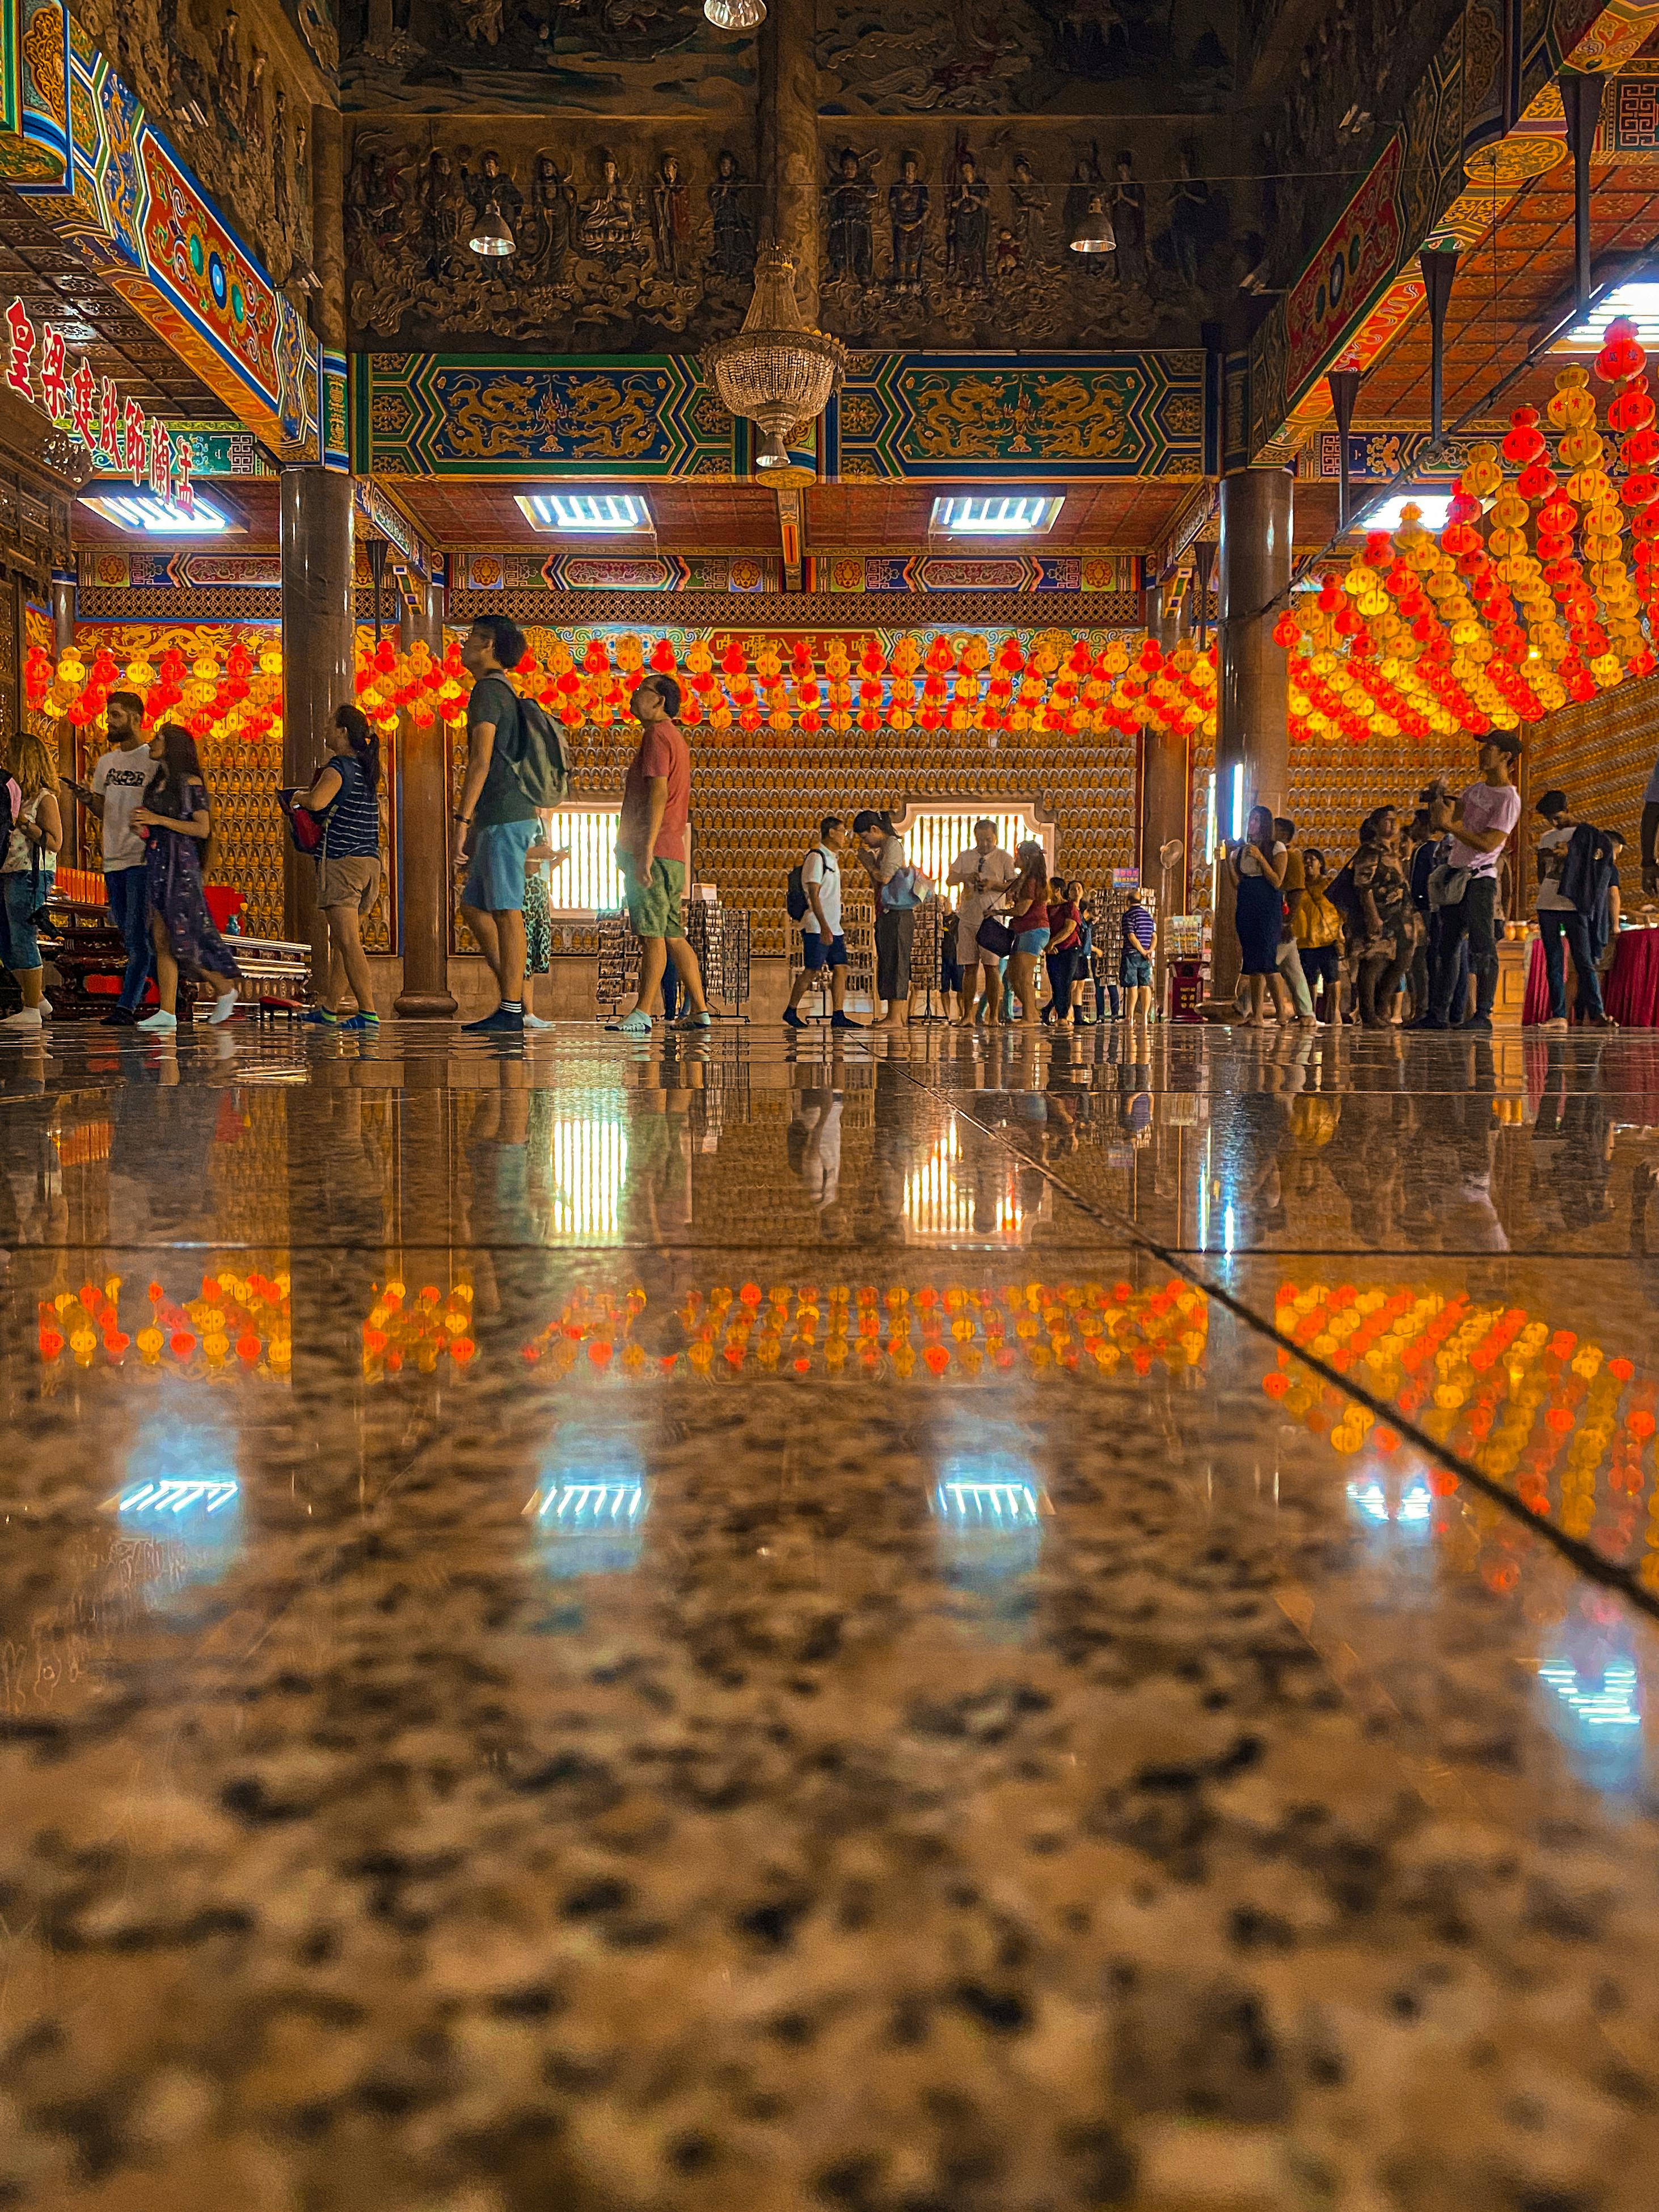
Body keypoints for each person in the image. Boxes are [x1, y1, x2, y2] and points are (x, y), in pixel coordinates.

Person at [611, 673, 710, 1036]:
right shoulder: (675, 738)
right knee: (671, 932)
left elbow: (656, 795)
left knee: (651, 934)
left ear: (660, 701)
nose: (634, 696)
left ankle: (642, 1012)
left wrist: (645, 850)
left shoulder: (655, 735)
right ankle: (700, 1010)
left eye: (641, 691)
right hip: (674, 852)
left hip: (655, 851)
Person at [455, 614, 539, 1036]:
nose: (464, 644)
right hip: (501, 815)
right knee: (473, 906)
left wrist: (461, 819)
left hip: (504, 815)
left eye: (471, 638)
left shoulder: (489, 690)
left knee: (507, 912)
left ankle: (512, 1008)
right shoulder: (502, 690)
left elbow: (481, 760)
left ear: (488, 645)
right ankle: (512, 993)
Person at [130, 722, 239, 1033]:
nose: (151, 743)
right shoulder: (159, 782)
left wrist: (158, 819)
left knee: (184, 936)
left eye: (158, 739)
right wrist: (144, 829)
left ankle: (224, 988)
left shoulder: (190, 783)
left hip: (181, 867)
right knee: (161, 936)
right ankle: (167, 1010)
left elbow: (201, 828)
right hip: (158, 863)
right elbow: (158, 826)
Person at [1419, 733, 1523, 1033]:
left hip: (1480, 879)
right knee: (1446, 947)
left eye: (1489, 749)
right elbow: (1447, 823)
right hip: (1456, 873)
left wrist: (1452, 826)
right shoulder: (1475, 790)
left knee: (1483, 947)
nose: (1482, 753)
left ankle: (1483, 1014)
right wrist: (1438, 801)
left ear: (1505, 757)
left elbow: (1489, 843)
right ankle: (1438, 1014)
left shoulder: (1508, 798)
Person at [64, 689, 154, 1025]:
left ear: (136, 718)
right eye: (109, 714)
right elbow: (105, 808)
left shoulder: (152, 760)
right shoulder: (106, 763)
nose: (109, 721)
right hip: (113, 856)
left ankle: (126, 1005)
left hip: (142, 858)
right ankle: (155, 985)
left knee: (136, 932)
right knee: (126, 930)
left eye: (116, 715)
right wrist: (88, 799)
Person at [297, 704, 384, 1032]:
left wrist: (298, 797)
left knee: (348, 941)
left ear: (343, 732)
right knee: (343, 940)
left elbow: (318, 802)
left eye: (329, 724)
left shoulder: (339, 767)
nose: (325, 729)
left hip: (343, 862)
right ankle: (331, 1008)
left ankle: (369, 1012)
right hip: (369, 864)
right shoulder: (365, 768)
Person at [1533, 788, 1613, 1031]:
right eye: (1550, 819)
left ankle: (1597, 1012)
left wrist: (1571, 855)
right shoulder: (1546, 837)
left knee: (1583, 960)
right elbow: (1541, 870)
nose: (1554, 823)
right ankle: (1558, 1014)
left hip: (1573, 905)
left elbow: (1602, 861)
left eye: (1558, 817)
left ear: (1568, 809)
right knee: (1554, 961)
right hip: (1547, 903)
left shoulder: (1587, 835)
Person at [1, 730, 63, 1031]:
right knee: (6, 939)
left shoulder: (43, 797)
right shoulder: (12, 795)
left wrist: (23, 823)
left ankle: (30, 1008)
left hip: (30, 873)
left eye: (11, 753)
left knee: (23, 934)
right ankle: (35, 996)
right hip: (8, 870)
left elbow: (55, 842)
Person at [784, 815, 860, 1031]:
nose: (845, 837)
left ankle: (838, 1014)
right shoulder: (817, 858)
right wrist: (824, 926)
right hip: (817, 926)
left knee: (841, 967)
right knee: (812, 969)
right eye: (843, 832)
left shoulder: (833, 859)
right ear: (831, 833)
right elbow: (814, 895)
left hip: (834, 927)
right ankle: (791, 1010)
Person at [947, 818, 1020, 1028]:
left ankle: (994, 1016)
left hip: (991, 920)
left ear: (996, 837)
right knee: (969, 968)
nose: (985, 844)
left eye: (989, 839)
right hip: (968, 917)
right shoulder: (966, 856)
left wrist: (993, 884)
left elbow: (1012, 886)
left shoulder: (1004, 858)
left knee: (992, 968)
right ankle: (967, 1015)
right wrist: (964, 877)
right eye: (981, 839)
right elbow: (950, 880)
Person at [1348, 805, 1416, 1028]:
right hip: (1379, 913)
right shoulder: (1370, 851)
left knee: (1402, 961)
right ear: (1375, 826)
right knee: (1373, 962)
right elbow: (1363, 886)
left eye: (1395, 821)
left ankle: (1381, 1005)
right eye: (1387, 821)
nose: (1393, 825)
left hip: (1398, 918)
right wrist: (1372, 915)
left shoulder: (1395, 853)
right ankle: (1369, 1013)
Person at [1224, 804, 1290, 1025]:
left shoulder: (1276, 848)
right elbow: (1237, 883)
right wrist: (1228, 861)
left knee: (1267, 959)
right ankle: (1257, 1014)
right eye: (1250, 820)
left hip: (1267, 905)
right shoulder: (1243, 851)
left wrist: (1261, 858)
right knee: (1251, 961)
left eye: (1256, 820)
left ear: (1264, 825)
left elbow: (1277, 880)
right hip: (1247, 903)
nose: (1251, 825)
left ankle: (1282, 1012)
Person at [852, 809, 913, 1029]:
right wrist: (870, 865)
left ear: (875, 830)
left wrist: (868, 863)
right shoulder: (883, 850)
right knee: (887, 962)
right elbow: (877, 883)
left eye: (865, 837)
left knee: (896, 961)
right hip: (886, 912)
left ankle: (895, 1018)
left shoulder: (892, 846)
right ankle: (892, 1015)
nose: (866, 843)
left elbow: (885, 878)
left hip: (898, 914)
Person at [521, 817, 569, 1031]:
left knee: (531, 956)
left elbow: (544, 869)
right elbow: (509, 853)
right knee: (521, 954)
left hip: (539, 890)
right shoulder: (521, 819)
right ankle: (522, 1010)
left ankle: (528, 1011)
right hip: (524, 889)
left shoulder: (542, 821)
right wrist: (535, 853)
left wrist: (558, 859)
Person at [1292, 847, 1344, 1024]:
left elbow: (1342, 910)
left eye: (1312, 859)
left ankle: (1334, 1015)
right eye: (1304, 859)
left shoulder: (1330, 884)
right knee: (1309, 980)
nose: (1307, 862)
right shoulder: (1298, 887)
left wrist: (1342, 935)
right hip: (1306, 941)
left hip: (1328, 940)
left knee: (1332, 978)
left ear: (1320, 863)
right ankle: (1309, 1014)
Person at [1273, 816, 1316, 1024]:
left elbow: (1297, 891)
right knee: (1293, 968)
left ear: (1283, 835)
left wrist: (1287, 922)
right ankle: (1307, 1011)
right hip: (1282, 921)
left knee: (1266, 964)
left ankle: (1243, 1006)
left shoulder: (1291, 857)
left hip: (1285, 922)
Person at [1006, 839, 1050, 1025]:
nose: (1015, 859)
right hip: (1023, 929)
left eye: (1018, 856)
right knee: (1013, 975)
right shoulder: (1024, 879)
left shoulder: (1031, 881)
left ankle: (1028, 1015)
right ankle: (1031, 1012)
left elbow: (1022, 909)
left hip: (1033, 929)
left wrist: (1000, 912)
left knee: (1024, 975)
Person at [1042, 877, 1081, 1027]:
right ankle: (1055, 1013)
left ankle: (1063, 1016)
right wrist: (1048, 945)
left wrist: (1053, 942)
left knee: (1065, 982)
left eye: (1049, 887)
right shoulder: (1047, 908)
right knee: (1055, 982)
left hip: (1069, 949)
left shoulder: (1069, 907)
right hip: (1052, 951)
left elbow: (1069, 928)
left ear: (1057, 890)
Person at [1120, 888, 1155, 1023]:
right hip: (1146, 955)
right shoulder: (1148, 916)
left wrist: (1141, 950)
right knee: (1145, 985)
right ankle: (1145, 1017)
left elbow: (1131, 936)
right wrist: (1149, 950)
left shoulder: (1128, 915)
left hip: (1132, 954)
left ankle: (1130, 1017)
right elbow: (1154, 936)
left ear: (1128, 901)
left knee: (1132, 986)